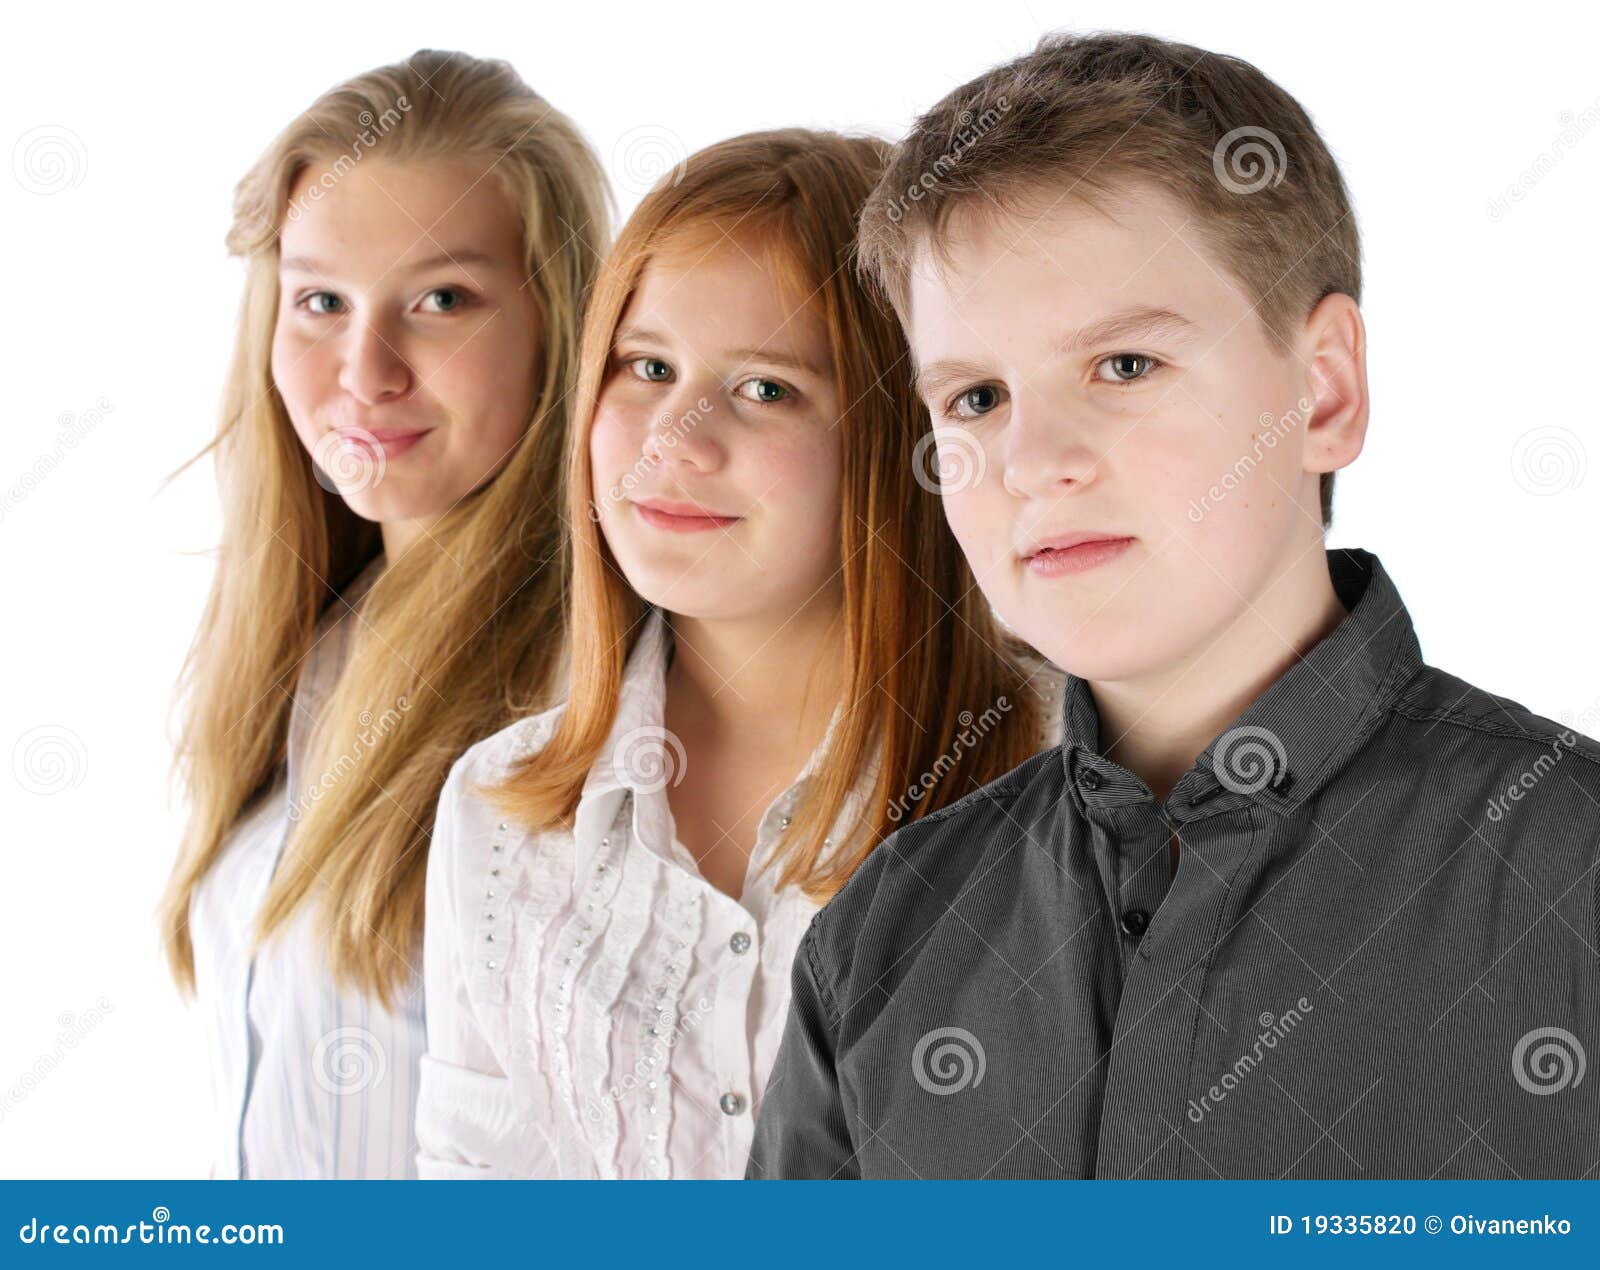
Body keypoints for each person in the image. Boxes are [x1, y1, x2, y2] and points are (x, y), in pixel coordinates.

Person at [747, 31, 1600, 1179]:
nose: (1035, 457)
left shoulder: (1571, 878)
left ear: (1324, 390)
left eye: (1124, 366)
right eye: (978, 395)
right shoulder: (884, 940)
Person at [415, 129, 1065, 1179]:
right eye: (646, 368)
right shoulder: (496, 805)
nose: (673, 439)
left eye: (765, 388)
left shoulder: (1077, 773)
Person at [157, 49, 610, 1178]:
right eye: (321, 301)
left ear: (555, 324)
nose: (364, 372)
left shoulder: (601, 684)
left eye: (440, 300)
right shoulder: (311, 644)